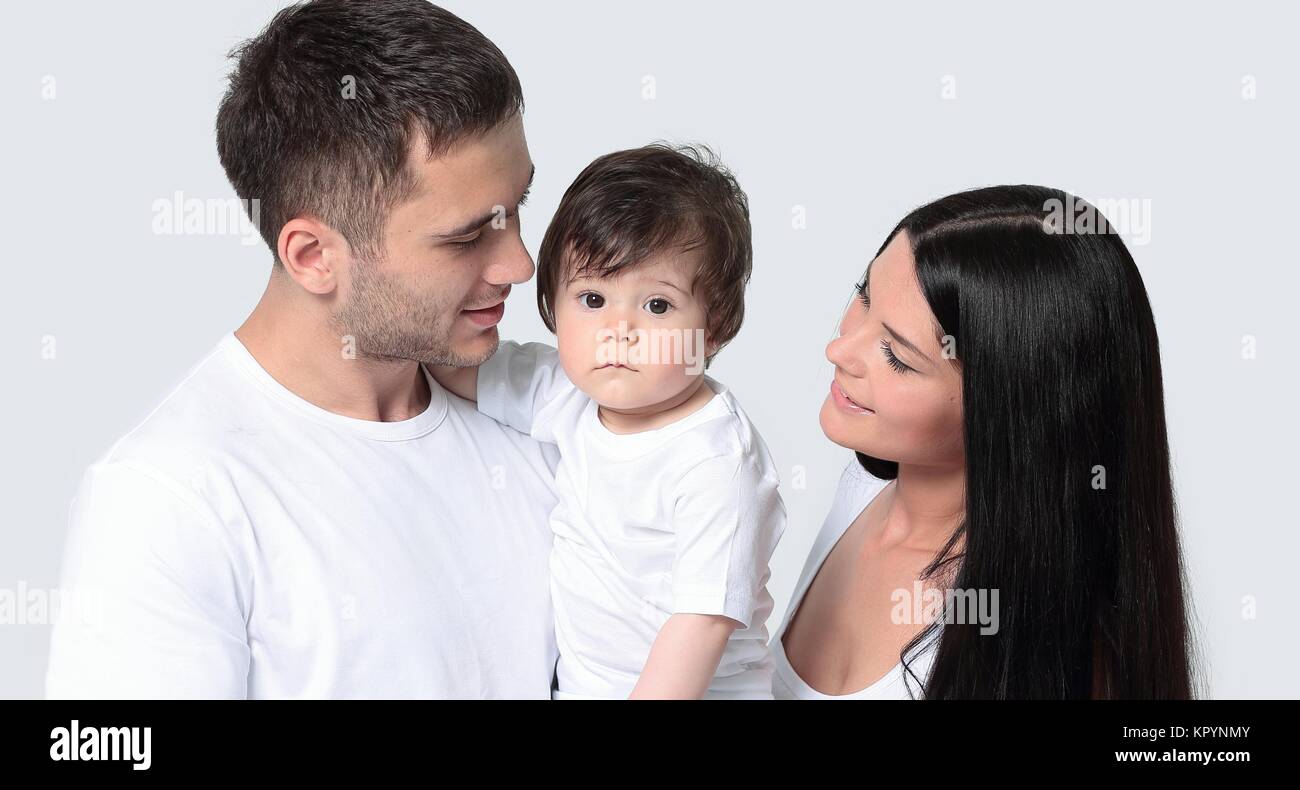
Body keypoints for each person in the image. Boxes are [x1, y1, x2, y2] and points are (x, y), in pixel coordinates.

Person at [46, 0, 561, 698]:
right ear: (314, 255)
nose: (520, 264)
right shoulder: (169, 501)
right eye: (468, 237)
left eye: (516, 208)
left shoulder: (549, 420)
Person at [773, 185, 1196, 699]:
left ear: (1009, 410)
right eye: (864, 296)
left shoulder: (1040, 638)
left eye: (899, 357)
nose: (839, 349)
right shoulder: (856, 491)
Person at [432, 145, 786, 699]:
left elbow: (700, 623)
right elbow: (449, 366)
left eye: (658, 306)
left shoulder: (716, 461)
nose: (618, 330)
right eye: (592, 298)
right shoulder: (566, 392)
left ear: (715, 327)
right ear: (553, 304)